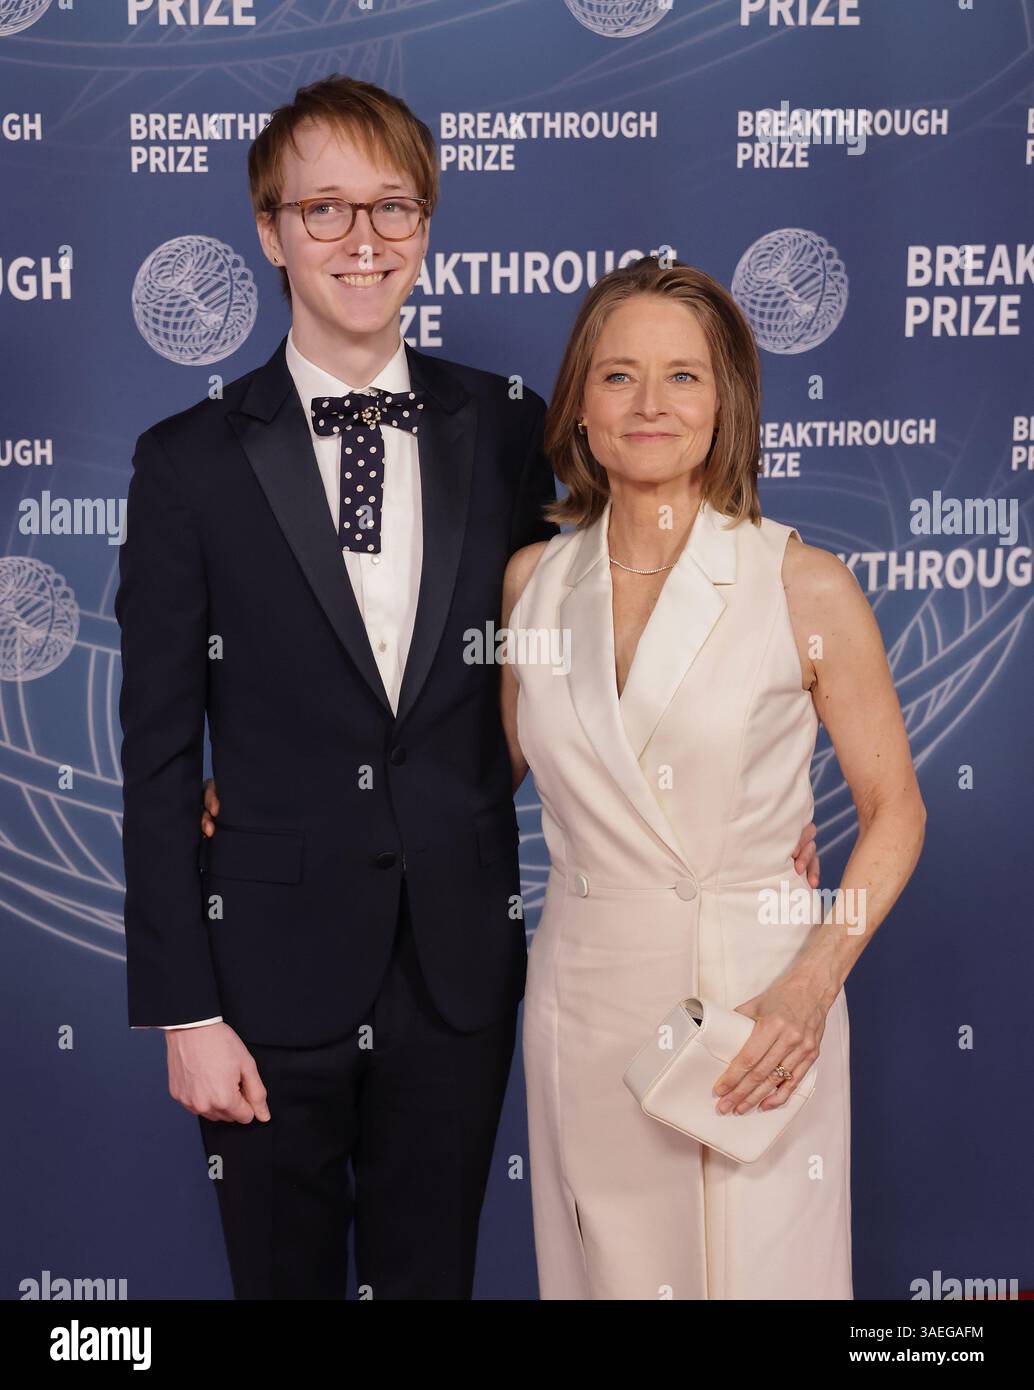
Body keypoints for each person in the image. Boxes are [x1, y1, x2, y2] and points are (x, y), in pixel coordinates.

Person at [153, 75, 821, 1300]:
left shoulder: (510, 429)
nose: (363, 241)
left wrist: (743, 797)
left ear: (426, 225)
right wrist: (181, 1011)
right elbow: (152, 757)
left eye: (393, 207)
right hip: (260, 973)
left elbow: (578, 659)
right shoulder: (185, 461)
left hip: (458, 969)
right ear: (268, 230)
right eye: (325, 210)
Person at [499, 256, 927, 1300]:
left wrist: (809, 983)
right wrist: (274, 788)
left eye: (682, 376)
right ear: (579, 403)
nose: (649, 405)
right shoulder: (533, 583)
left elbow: (894, 812)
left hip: (752, 1006)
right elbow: (464, 778)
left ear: (724, 401)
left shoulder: (801, 582)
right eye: (618, 376)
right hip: (584, 998)